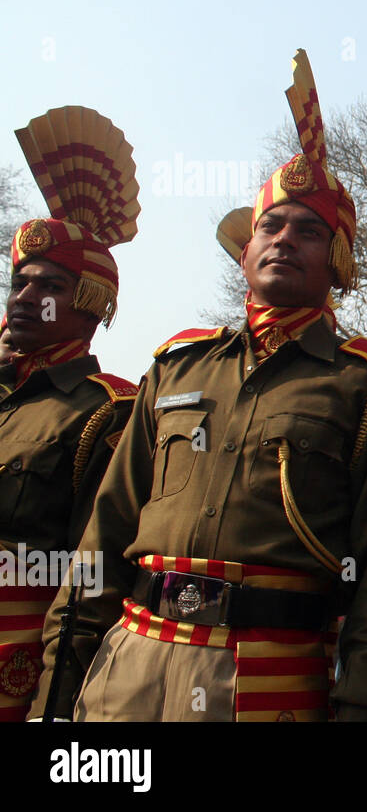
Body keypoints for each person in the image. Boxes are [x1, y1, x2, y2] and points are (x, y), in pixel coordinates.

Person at [31, 49, 367, 722]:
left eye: (309, 230)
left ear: (337, 259)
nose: (283, 239)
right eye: (270, 225)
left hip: (268, 682)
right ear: (245, 251)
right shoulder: (178, 365)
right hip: (131, 667)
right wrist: (56, 692)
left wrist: (361, 705)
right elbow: (106, 533)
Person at [1, 106, 140, 722]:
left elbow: (91, 574)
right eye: (18, 284)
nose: (26, 299)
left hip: (21, 662)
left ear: (90, 301)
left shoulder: (107, 412)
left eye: (49, 287)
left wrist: (57, 700)